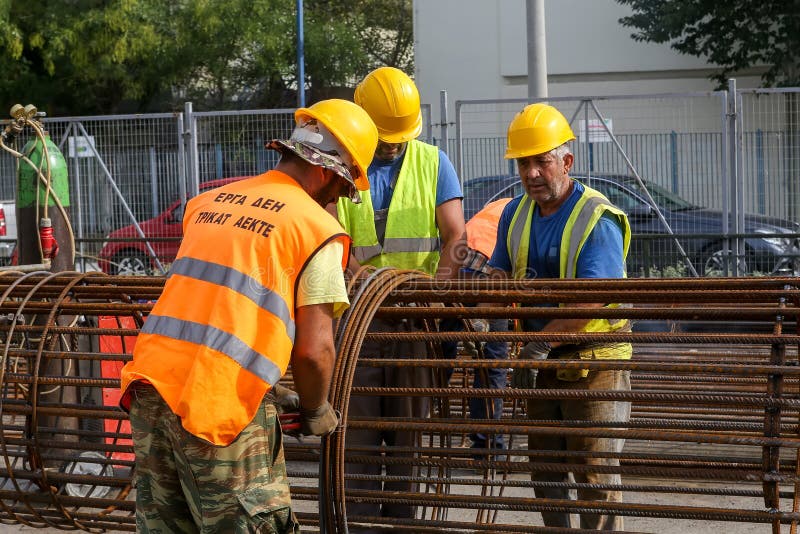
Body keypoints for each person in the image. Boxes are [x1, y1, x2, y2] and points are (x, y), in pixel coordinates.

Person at [119, 99, 378, 533]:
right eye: (342, 187)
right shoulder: (316, 229)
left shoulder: (208, 203)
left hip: (150, 393)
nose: (338, 199)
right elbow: (316, 351)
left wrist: (268, 387)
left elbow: (220, 310)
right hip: (216, 410)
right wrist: (316, 409)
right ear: (328, 171)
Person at [487, 103, 632, 530]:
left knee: (595, 473)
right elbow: (500, 273)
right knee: (547, 472)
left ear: (566, 161)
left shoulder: (596, 217)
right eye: (523, 163)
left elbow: (591, 301)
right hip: (543, 364)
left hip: (595, 363)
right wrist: (480, 311)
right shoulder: (515, 213)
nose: (532, 173)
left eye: (542, 162)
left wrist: (537, 345)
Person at [333, 66, 466, 529]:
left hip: (414, 321)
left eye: (397, 135)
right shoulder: (342, 165)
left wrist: (437, 295)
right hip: (357, 324)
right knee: (359, 440)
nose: (392, 144)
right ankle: (362, 522)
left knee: (408, 440)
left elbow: (455, 237)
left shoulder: (433, 163)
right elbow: (327, 234)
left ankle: (403, 523)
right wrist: (355, 278)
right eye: (383, 135)